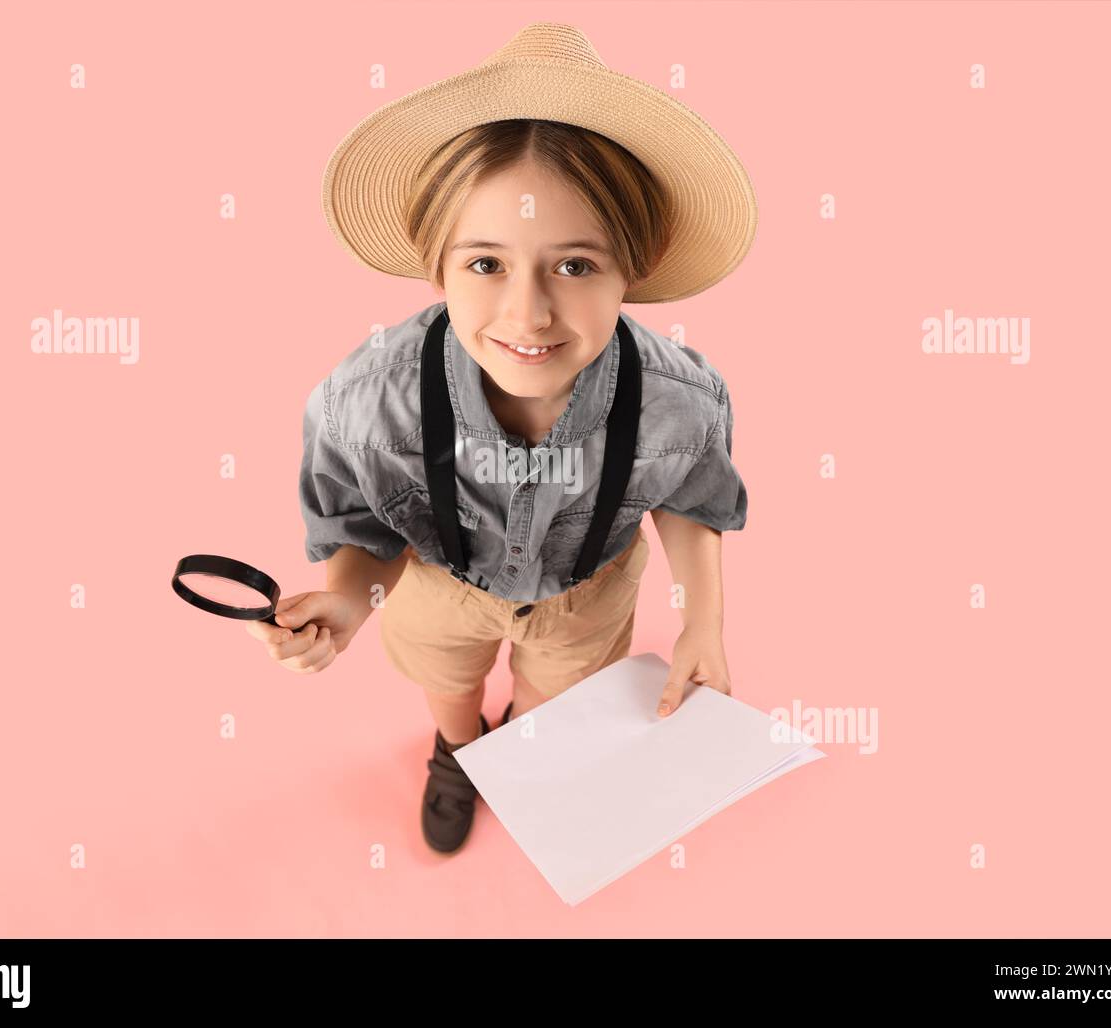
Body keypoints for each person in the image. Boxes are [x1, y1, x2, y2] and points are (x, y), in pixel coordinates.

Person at [248, 22, 757, 855]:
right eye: (486, 265)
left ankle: (524, 752)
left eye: (576, 265)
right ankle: (456, 755)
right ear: (437, 263)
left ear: (637, 266)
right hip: (433, 590)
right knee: (448, 688)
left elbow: (692, 495)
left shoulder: (679, 398)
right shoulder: (369, 402)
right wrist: (345, 602)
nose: (529, 314)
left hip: (586, 597)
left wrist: (706, 619)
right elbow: (366, 531)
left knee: (557, 699)